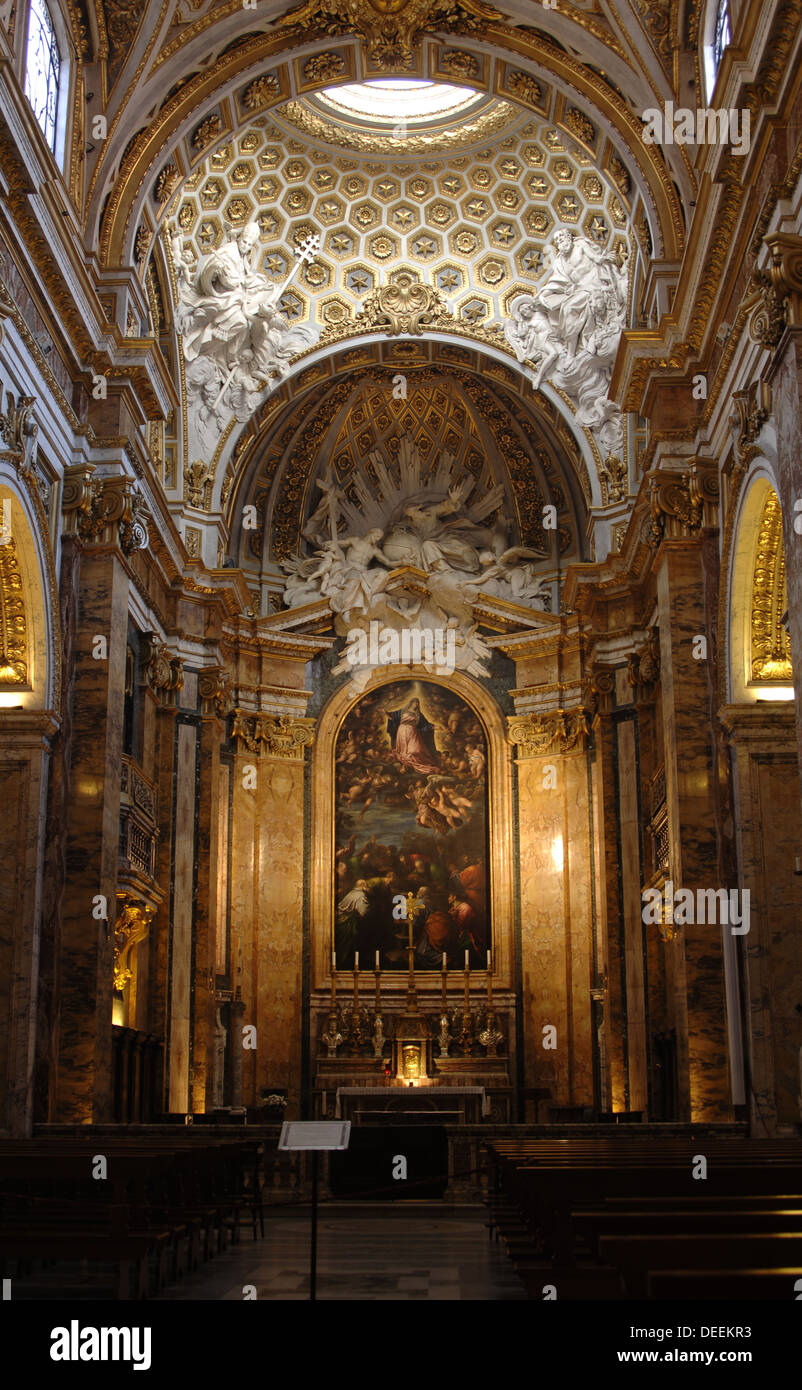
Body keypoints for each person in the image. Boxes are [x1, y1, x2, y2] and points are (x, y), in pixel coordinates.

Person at [388, 697, 440, 774]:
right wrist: (385, 712)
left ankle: (416, 762)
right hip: (402, 731)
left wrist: (434, 727)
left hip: (413, 732)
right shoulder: (403, 711)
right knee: (404, 750)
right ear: (411, 703)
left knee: (416, 749)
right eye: (415, 702)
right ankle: (407, 763)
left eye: (418, 703)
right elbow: (393, 716)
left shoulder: (418, 714)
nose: (417, 704)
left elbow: (424, 724)